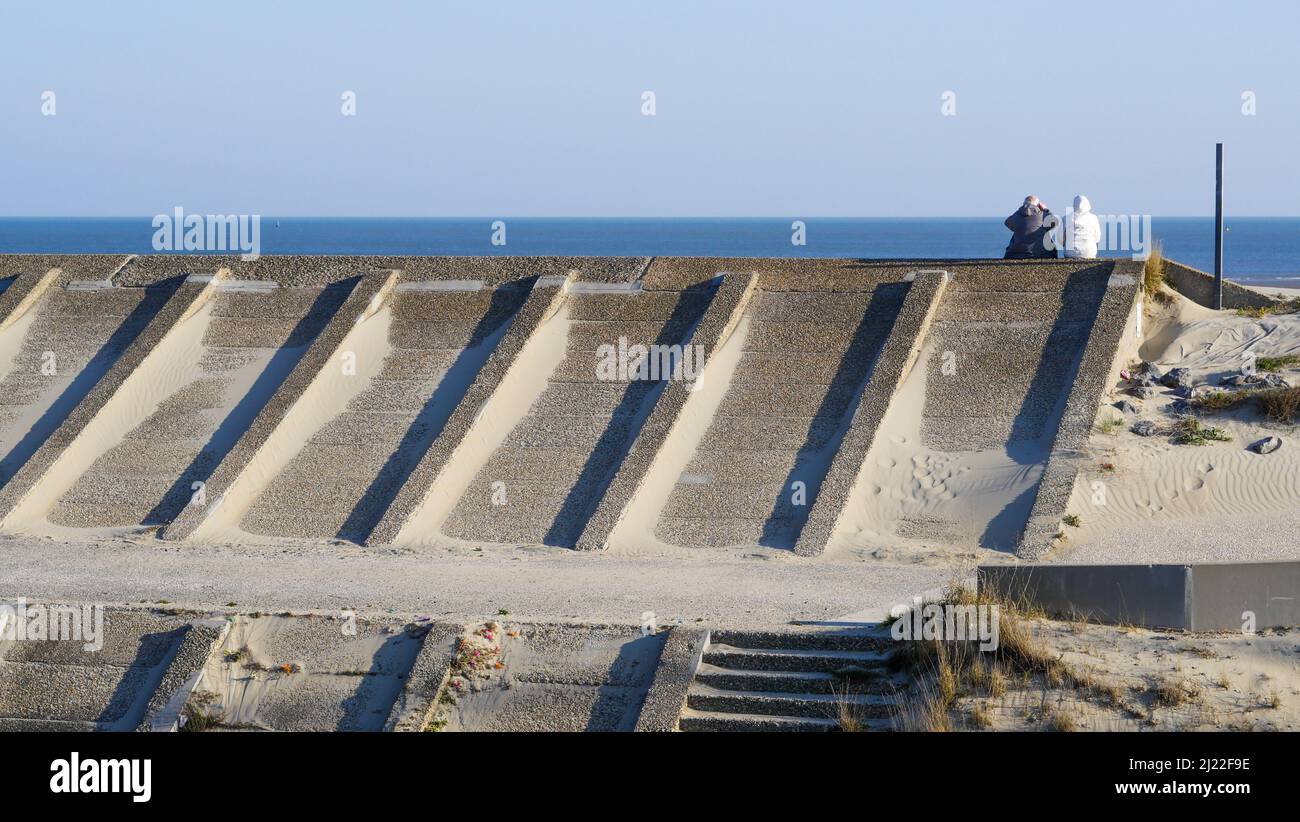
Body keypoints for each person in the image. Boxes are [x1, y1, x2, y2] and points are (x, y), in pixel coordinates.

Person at [1064, 194, 1101, 259]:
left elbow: (1060, 239)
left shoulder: (1066, 218)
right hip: (1089, 253)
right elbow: (1097, 238)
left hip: (1070, 254)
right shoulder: (1094, 218)